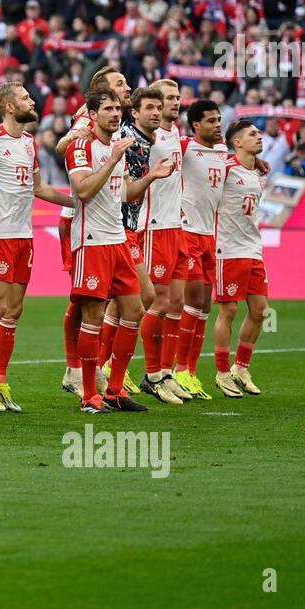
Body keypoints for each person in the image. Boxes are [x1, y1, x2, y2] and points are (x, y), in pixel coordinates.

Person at [65, 90, 173, 412]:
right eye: (108, 109)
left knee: (135, 310)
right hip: (92, 241)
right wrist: (112, 159)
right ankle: (89, 396)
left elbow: (125, 193)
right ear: (93, 114)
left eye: (117, 108)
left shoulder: (117, 149)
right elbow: (83, 190)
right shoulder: (80, 147)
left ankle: (114, 390)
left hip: (118, 240)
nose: (115, 113)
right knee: (94, 316)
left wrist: (151, 177)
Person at [0, 82, 73, 412]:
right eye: (25, 97)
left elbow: (39, 189)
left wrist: (77, 202)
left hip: (23, 236)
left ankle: (0, 379)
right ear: (10, 107)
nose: (32, 100)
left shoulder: (29, 143)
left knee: (14, 311)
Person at [56, 65, 132, 396]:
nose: (126, 87)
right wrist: (69, 139)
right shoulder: (88, 123)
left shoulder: (114, 125)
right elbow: (64, 148)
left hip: (109, 223)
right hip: (82, 221)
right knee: (89, 302)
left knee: (97, 301)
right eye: (119, 84)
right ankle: (79, 370)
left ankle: (89, 371)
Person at [115, 85, 184, 405]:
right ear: (135, 111)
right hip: (140, 226)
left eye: (169, 102)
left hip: (156, 224)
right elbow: (127, 192)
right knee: (140, 301)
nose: (162, 109)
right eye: (155, 105)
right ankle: (122, 375)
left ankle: (154, 374)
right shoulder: (130, 139)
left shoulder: (160, 136)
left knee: (159, 301)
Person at [136, 79, 193, 404]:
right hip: (153, 226)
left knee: (176, 303)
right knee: (155, 303)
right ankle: (152, 373)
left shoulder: (174, 136)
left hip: (177, 226)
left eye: (174, 98)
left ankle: (167, 372)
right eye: (163, 100)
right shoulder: (145, 136)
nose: (171, 104)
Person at [171, 99, 229, 401]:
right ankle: (180, 370)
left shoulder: (222, 152)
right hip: (187, 233)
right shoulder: (184, 148)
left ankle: (191, 371)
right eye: (210, 121)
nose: (217, 124)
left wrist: (255, 163)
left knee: (205, 308)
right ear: (196, 125)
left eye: (219, 119)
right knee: (191, 304)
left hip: (210, 235)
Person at [213, 120, 269, 398]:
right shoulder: (224, 167)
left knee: (260, 310)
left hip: (253, 248)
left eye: (258, 133)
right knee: (229, 311)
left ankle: (241, 368)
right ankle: (222, 372)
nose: (259, 137)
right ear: (237, 142)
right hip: (228, 249)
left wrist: (259, 163)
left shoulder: (259, 173)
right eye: (252, 134)